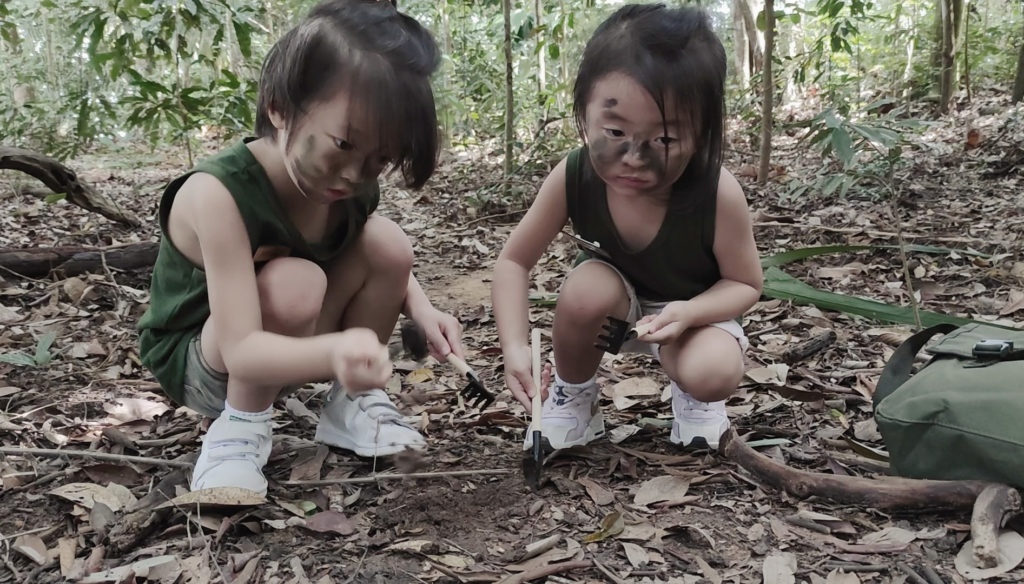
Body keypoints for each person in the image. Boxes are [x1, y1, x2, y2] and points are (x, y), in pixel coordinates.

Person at [137, 0, 463, 496]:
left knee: (389, 242)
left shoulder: (346, 187)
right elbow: (242, 351)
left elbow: (379, 257)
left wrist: (422, 309)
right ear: (280, 107)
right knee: (295, 282)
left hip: (290, 345)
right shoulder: (217, 194)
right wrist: (336, 351)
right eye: (344, 144)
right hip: (208, 363)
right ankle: (239, 429)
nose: (354, 174)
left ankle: (352, 403)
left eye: (379, 159)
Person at [491, 3, 763, 453]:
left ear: (701, 134)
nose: (634, 158)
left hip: (693, 317)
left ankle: (695, 400)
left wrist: (689, 313)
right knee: (585, 290)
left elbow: (745, 283)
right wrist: (515, 347)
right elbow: (514, 262)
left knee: (713, 370)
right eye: (615, 132)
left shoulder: (717, 191)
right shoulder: (575, 175)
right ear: (584, 113)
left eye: (664, 139)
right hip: (610, 309)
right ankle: (574, 397)